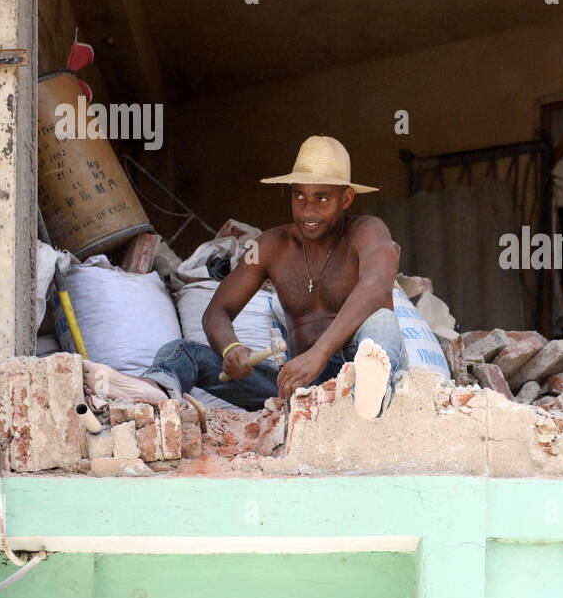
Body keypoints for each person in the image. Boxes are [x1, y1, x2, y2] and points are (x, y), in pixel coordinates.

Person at [84, 135, 407, 420]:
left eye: (322, 198)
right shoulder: (270, 246)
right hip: (300, 388)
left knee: (382, 322)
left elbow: (376, 285)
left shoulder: (368, 231)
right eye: (299, 196)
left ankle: (369, 400)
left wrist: (320, 352)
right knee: (183, 351)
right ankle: (157, 388)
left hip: (359, 371)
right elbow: (217, 311)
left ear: (346, 198)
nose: (307, 210)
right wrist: (230, 349)